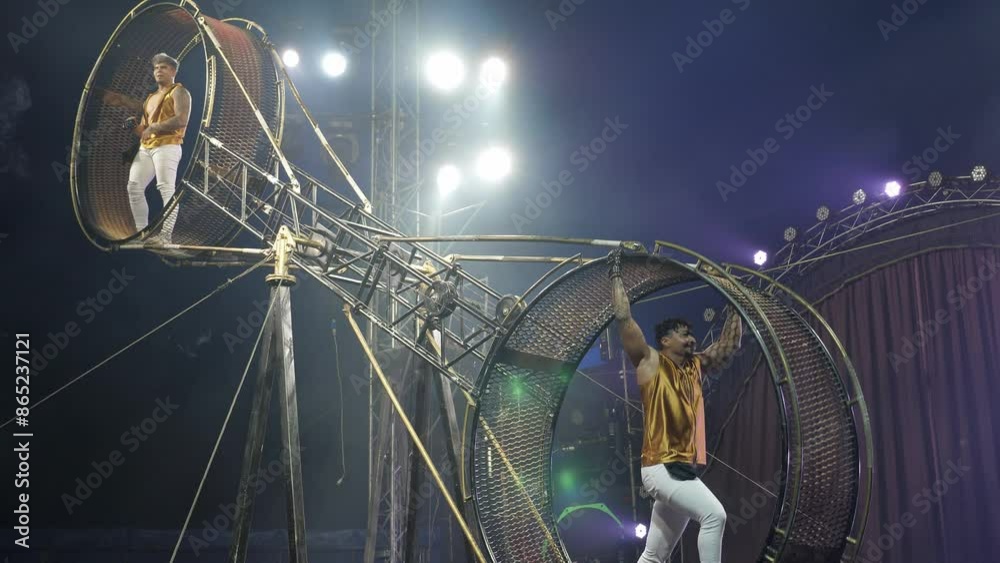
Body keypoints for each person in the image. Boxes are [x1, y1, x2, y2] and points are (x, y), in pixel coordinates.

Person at [607, 248, 743, 563]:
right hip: (661, 468)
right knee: (714, 516)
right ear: (665, 340)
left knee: (654, 556)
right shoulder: (650, 362)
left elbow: (730, 345)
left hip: (679, 468)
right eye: (684, 335)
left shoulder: (696, 365)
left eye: (692, 334)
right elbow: (623, 317)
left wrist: (734, 297)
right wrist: (616, 273)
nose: (692, 339)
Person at [124, 52, 191, 245]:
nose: (158, 70)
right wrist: (134, 126)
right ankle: (140, 234)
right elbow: (144, 131)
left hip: (168, 145)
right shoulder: (150, 98)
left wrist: (154, 127)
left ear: (173, 71)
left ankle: (165, 237)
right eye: (156, 68)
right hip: (147, 147)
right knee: (134, 187)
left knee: (165, 188)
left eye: (163, 67)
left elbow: (181, 119)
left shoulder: (179, 92)